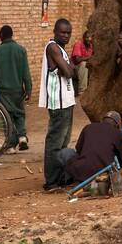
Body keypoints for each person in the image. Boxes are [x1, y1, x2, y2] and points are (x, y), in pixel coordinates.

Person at [45, 111, 122, 190]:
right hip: (103, 176)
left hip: (81, 172)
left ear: (102, 120)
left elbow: (78, 149)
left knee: (66, 153)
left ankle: (65, 180)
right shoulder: (118, 133)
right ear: (117, 124)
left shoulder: (88, 127)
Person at [39, 18, 77, 189]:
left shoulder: (61, 50)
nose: (66, 35)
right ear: (55, 32)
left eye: (68, 33)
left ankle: (61, 176)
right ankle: (51, 181)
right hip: (58, 103)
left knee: (63, 142)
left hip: (67, 102)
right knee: (55, 143)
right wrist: (69, 67)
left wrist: (68, 68)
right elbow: (69, 72)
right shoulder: (53, 47)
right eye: (63, 32)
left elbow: (69, 71)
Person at [0, 24, 32, 151]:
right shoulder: (21, 50)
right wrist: (28, 89)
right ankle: (22, 137)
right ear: (11, 35)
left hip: (4, 92)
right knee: (20, 114)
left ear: (1, 36)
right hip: (18, 90)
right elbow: (26, 73)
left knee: (7, 117)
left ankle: (10, 145)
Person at [70, 30, 93, 95]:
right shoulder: (79, 44)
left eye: (90, 37)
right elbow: (77, 60)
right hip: (75, 67)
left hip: (85, 67)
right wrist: (90, 57)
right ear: (83, 38)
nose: (89, 39)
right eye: (87, 37)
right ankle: (82, 90)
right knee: (84, 64)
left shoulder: (91, 46)